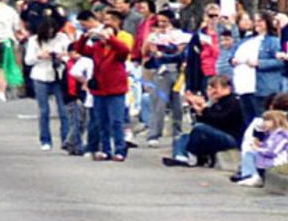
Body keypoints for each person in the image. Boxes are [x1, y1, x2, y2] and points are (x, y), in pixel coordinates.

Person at [74, 21, 131, 162]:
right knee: (102, 121)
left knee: (116, 121)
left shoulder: (118, 50)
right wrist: (86, 36)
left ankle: (120, 150)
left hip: (116, 89)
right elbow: (80, 50)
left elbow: (124, 50)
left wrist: (110, 38)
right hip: (99, 89)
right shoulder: (96, 48)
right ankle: (105, 149)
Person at [164, 76, 244, 167]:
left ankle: (192, 155)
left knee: (199, 128)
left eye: (215, 88)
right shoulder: (215, 102)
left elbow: (221, 120)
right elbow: (206, 120)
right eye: (210, 88)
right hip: (216, 133)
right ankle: (180, 156)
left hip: (230, 137)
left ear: (227, 88)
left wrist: (204, 109)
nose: (212, 91)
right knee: (184, 136)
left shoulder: (234, 102)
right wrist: (198, 110)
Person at [26, 17, 72, 150]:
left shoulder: (62, 38)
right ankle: (45, 140)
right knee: (44, 110)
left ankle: (66, 139)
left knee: (63, 110)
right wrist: (39, 56)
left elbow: (70, 53)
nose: (51, 33)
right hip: (40, 75)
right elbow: (28, 60)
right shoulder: (34, 40)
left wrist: (60, 55)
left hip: (58, 75)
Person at [142, 13, 187, 148]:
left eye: (165, 21)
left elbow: (180, 51)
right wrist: (151, 41)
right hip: (161, 71)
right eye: (159, 21)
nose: (162, 24)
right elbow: (145, 51)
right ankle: (154, 134)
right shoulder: (155, 35)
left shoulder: (180, 35)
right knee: (159, 103)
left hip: (177, 71)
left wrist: (169, 46)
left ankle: (177, 132)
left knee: (177, 104)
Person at [234, 110, 288, 187]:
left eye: (267, 120)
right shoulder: (272, 134)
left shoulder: (281, 135)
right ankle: (250, 175)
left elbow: (272, 152)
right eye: (264, 120)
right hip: (273, 160)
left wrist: (257, 149)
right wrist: (260, 145)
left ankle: (251, 176)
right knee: (250, 153)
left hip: (280, 162)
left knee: (251, 153)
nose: (264, 123)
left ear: (276, 121)